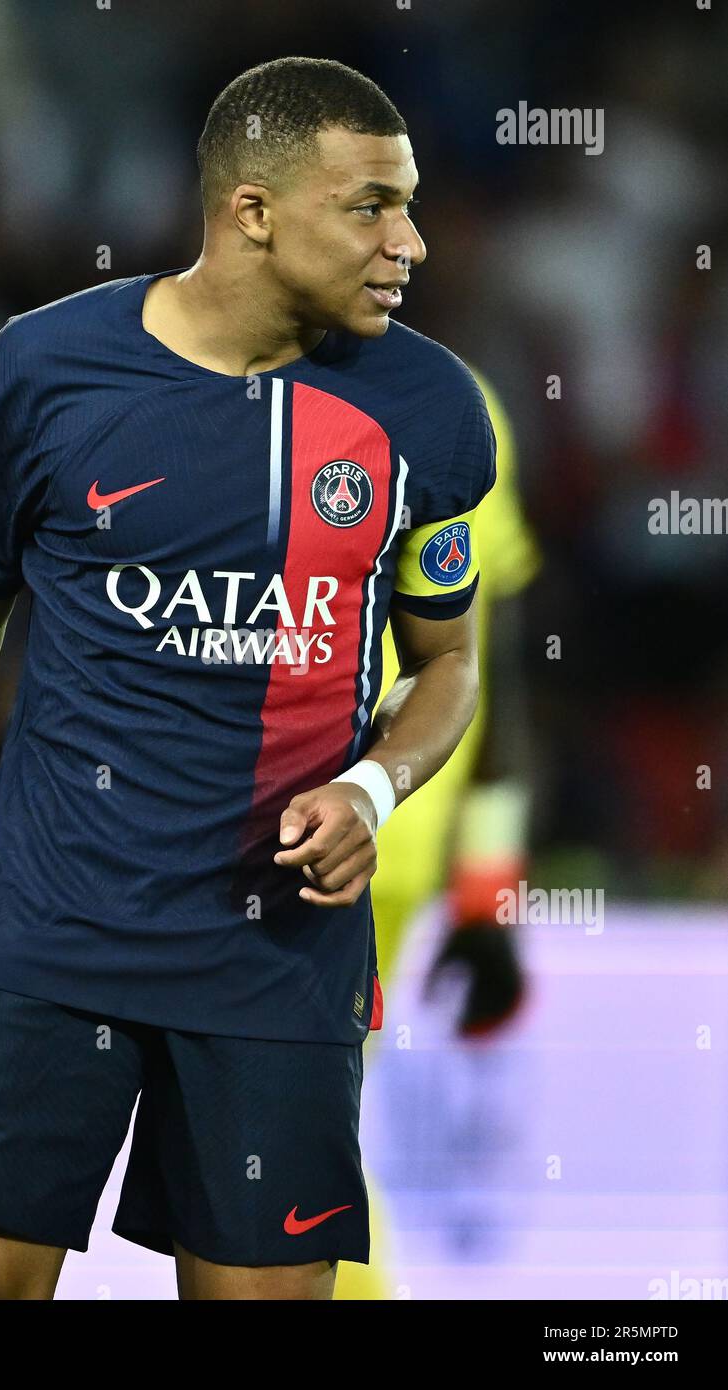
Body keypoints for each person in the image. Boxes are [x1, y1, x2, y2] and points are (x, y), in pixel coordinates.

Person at [0, 56, 498, 1301]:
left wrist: (375, 791)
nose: (411, 242)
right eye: (371, 205)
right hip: (51, 926)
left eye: (409, 204)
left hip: (277, 957)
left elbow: (450, 663)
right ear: (252, 213)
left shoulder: (431, 410)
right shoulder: (42, 371)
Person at [334, 371, 542, 1299]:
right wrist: (490, 879)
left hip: (331, 831)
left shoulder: (248, 384)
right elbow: (501, 666)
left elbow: (489, 661)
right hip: (395, 828)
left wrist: (491, 893)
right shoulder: (465, 402)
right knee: (290, 1121)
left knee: (282, 1131)